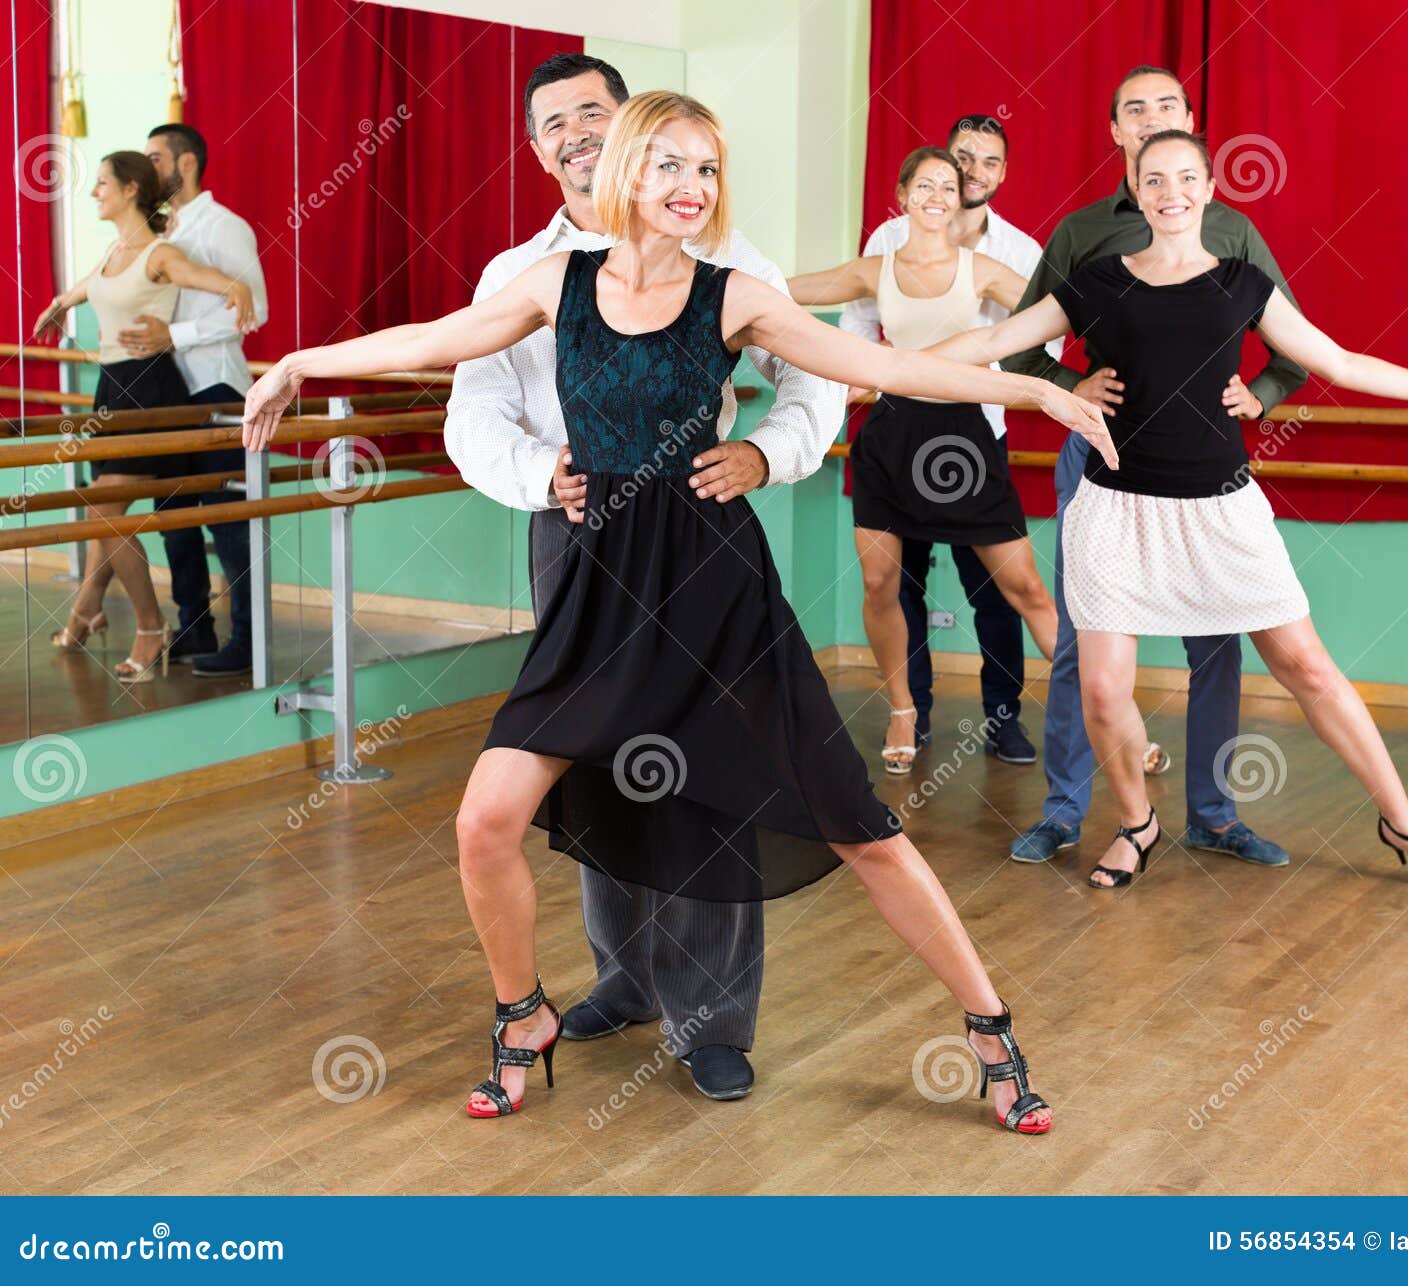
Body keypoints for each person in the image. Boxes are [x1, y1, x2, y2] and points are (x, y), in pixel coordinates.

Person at [244, 90, 1118, 1134]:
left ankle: (989, 1027)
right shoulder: (552, 282)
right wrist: (300, 361)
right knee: (485, 818)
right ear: (620, 171)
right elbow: (440, 337)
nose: (688, 187)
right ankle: (524, 1014)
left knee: (860, 829)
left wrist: (1038, 394)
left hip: (713, 586)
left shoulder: (736, 294)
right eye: (666, 164)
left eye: (704, 168)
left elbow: (880, 363)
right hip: (597, 587)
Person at [930, 129, 1408, 892]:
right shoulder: (1097, 278)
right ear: (1137, 190)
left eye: (1187, 178)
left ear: (1210, 190)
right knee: (1104, 687)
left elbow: (1340, 361)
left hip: (1220, 509)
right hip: (1116, 509)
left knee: (1306, 666)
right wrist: (875, 367)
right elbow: (993, 339)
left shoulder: (1243, 283)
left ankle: (1404, 822)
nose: (1171, 191)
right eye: (1155, 179)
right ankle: (1138, 824)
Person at [443, 52, 844, 1103]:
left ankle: (713, 1016)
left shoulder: (716, 245)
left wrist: (768, 452)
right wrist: (544, 474)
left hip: (694, 532)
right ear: (537, 150)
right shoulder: (516, 272)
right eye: (555, 122)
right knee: (591, 764)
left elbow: (818, 371)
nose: (576, 131)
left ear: (628, 125)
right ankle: (623, 979)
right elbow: (471, 410)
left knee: (708, 763)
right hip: (573, 534)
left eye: (593, 111)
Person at [1001, 65, 1304, 869]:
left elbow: (1297, 350)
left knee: (1219, 641)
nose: (1148, 118)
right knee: (1082, 644)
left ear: (1192, 127)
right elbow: (1025, 346)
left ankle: (1214, 813)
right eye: (1133, 109)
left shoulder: (1231, 232)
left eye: (1165, 106)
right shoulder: (1081, 233)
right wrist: (1074, 384)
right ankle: (1067, 810)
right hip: (1100, 460)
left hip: (1205, 470)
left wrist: (1261, 395)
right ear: (1116, 136)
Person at [789, 146, 1057, 775]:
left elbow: (1057, 311)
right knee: (882, 583)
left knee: (1024, 588)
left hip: (965, 436)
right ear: (903, 195)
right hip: (890, 437)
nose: (938, 193)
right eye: (925, 184)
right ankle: (904, 710)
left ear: (960, 197)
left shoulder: (984, 269)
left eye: (948, 184)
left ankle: (1102, 713)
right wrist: (707, 280)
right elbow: (785, 293)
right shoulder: (872, 269)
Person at [32, 150, 257, 684]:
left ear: (131, 189)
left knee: (104, 511)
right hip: (113, 390)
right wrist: (60, 303)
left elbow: (212, 279)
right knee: (104, 512)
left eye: (102, 183)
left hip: (152, 392)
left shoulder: (161, 253)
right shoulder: (114, 251)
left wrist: (238, 288)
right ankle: (88, 611)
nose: (94, 193)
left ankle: (149, 627)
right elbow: (90, 287)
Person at [130, 122, 269, 679]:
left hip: (215, 387)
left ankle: (247, 641)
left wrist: (175, 336)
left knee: (229, 521)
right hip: (163, 389)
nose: (147, 170)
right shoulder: (155, 229)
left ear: (186, 163)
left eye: (155, 158)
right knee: (172, 513)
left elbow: (253, 307)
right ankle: (192, 628)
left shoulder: (225, 225)